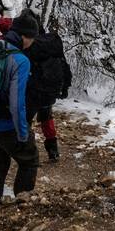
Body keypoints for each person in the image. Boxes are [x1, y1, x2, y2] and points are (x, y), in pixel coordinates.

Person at [0, 14, 39, 214]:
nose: (32, 42)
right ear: (24, 36)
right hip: (5, 125)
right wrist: (22, 133)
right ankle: (22, 208)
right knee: (29, 160)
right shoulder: (20, 60)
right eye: (32, 38)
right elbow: (16, 103)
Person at [13, 10, 73, 162]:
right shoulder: (52, 42)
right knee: (47, 118)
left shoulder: (28, 45)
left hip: (32, 91)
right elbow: (63, 64)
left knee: (26, 121)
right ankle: (53, 151)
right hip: (49, 91)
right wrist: (65, 86)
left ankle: (26, 152)